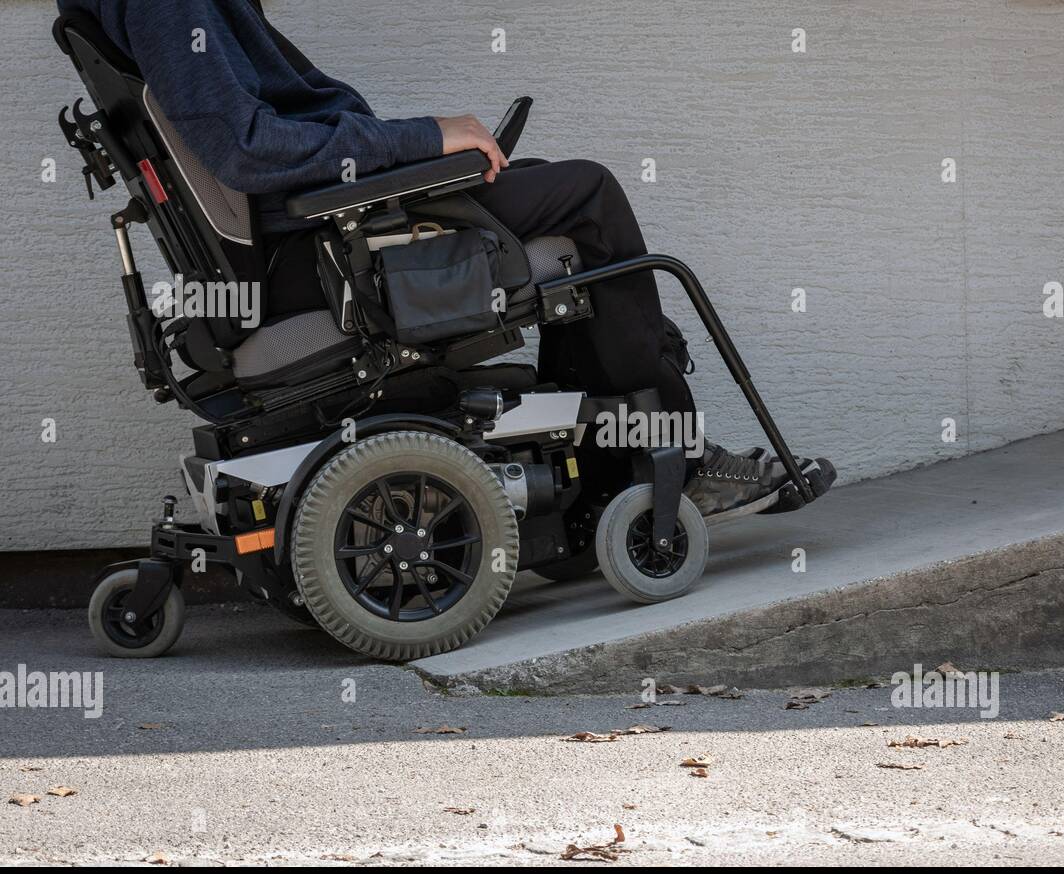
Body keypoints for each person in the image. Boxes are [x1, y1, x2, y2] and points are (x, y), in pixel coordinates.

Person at [56, 0, 833, 516]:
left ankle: (615, 469)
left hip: (298, 240)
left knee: (538, 195)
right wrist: (424, 139)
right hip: (312, 255)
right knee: (586, 198)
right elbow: (250, 149)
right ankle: (672, 467)